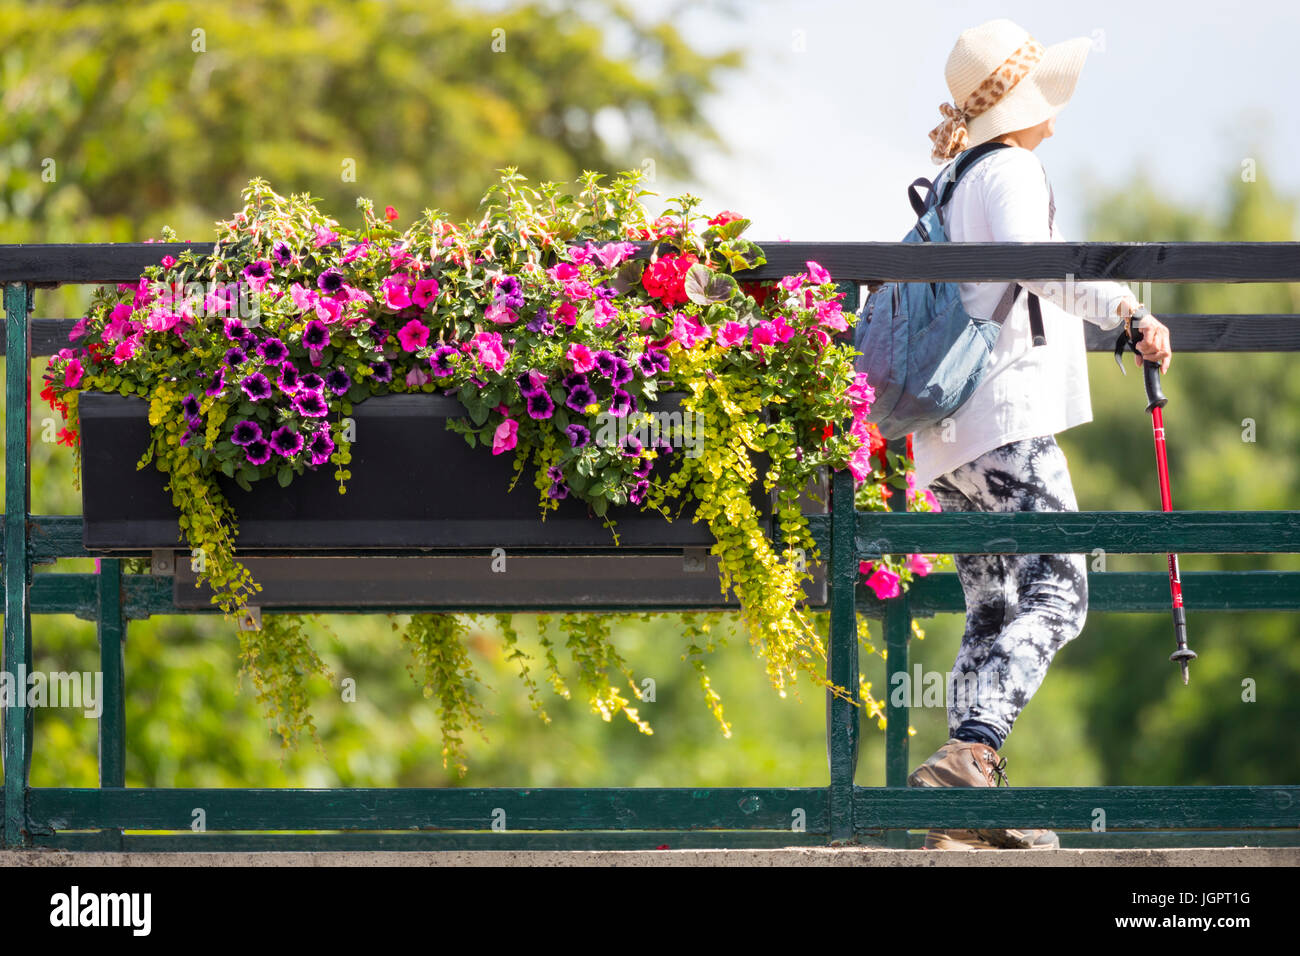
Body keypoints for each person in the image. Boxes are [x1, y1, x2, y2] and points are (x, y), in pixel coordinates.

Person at [903, 18, 1174, 850]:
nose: (1055, 113)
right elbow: (1046, 265)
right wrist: (1127, 311)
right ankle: (974, 751)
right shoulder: (1012, 168)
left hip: (948, 438)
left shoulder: (953, 180)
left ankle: (965, 807)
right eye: (1045, 97)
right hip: (1005, 418)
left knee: (993, 609)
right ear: (1017, 105)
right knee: (1061, 592)